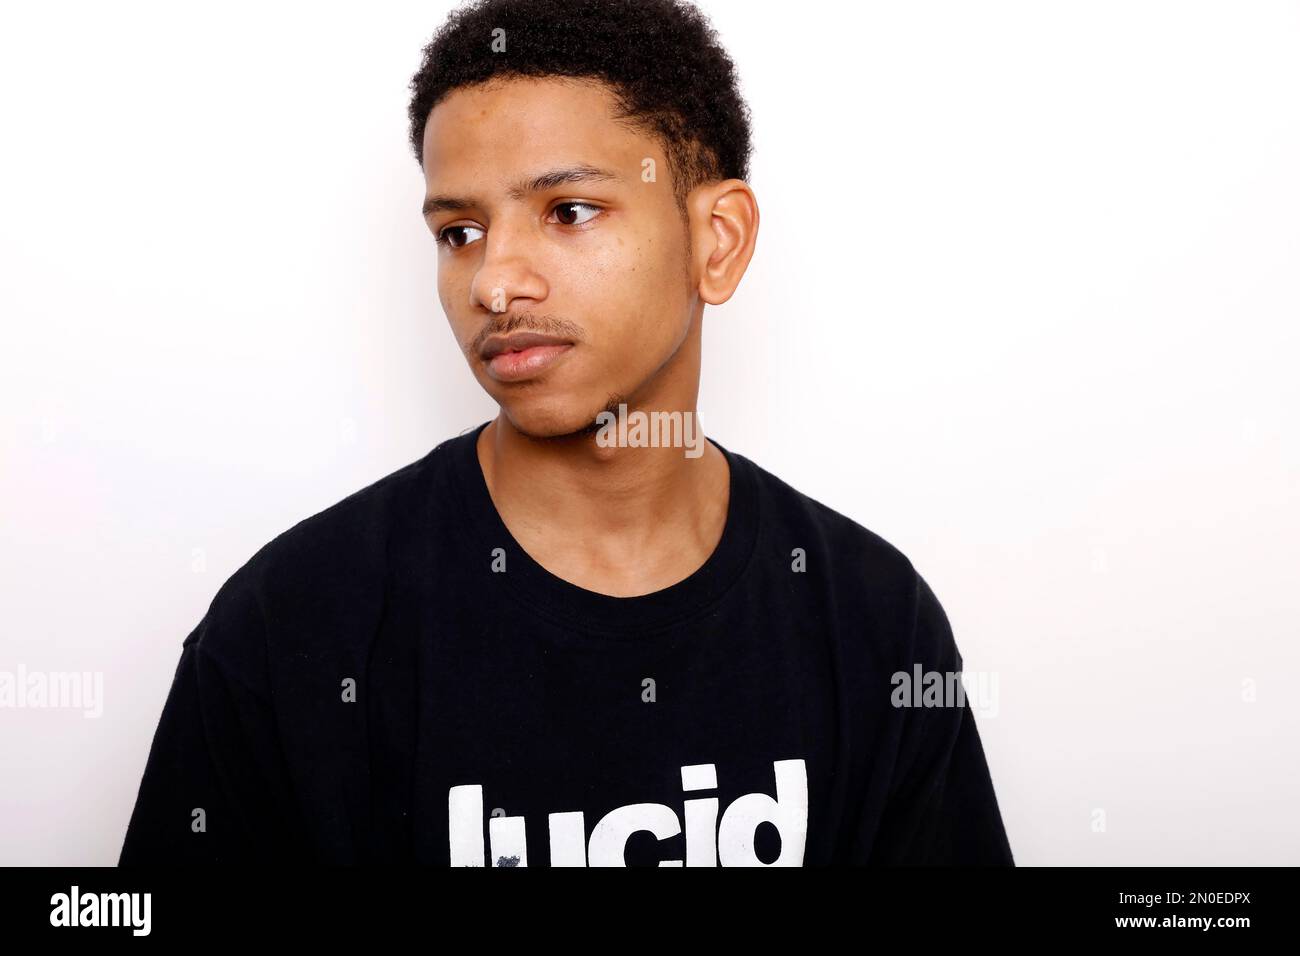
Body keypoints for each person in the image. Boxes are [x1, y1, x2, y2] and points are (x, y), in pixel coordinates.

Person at [119, 0, 1014, 866]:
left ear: (719, 240)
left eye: (569, 211)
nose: (494, 283)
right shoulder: (293, 629)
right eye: (460, 231)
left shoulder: (870, 622)